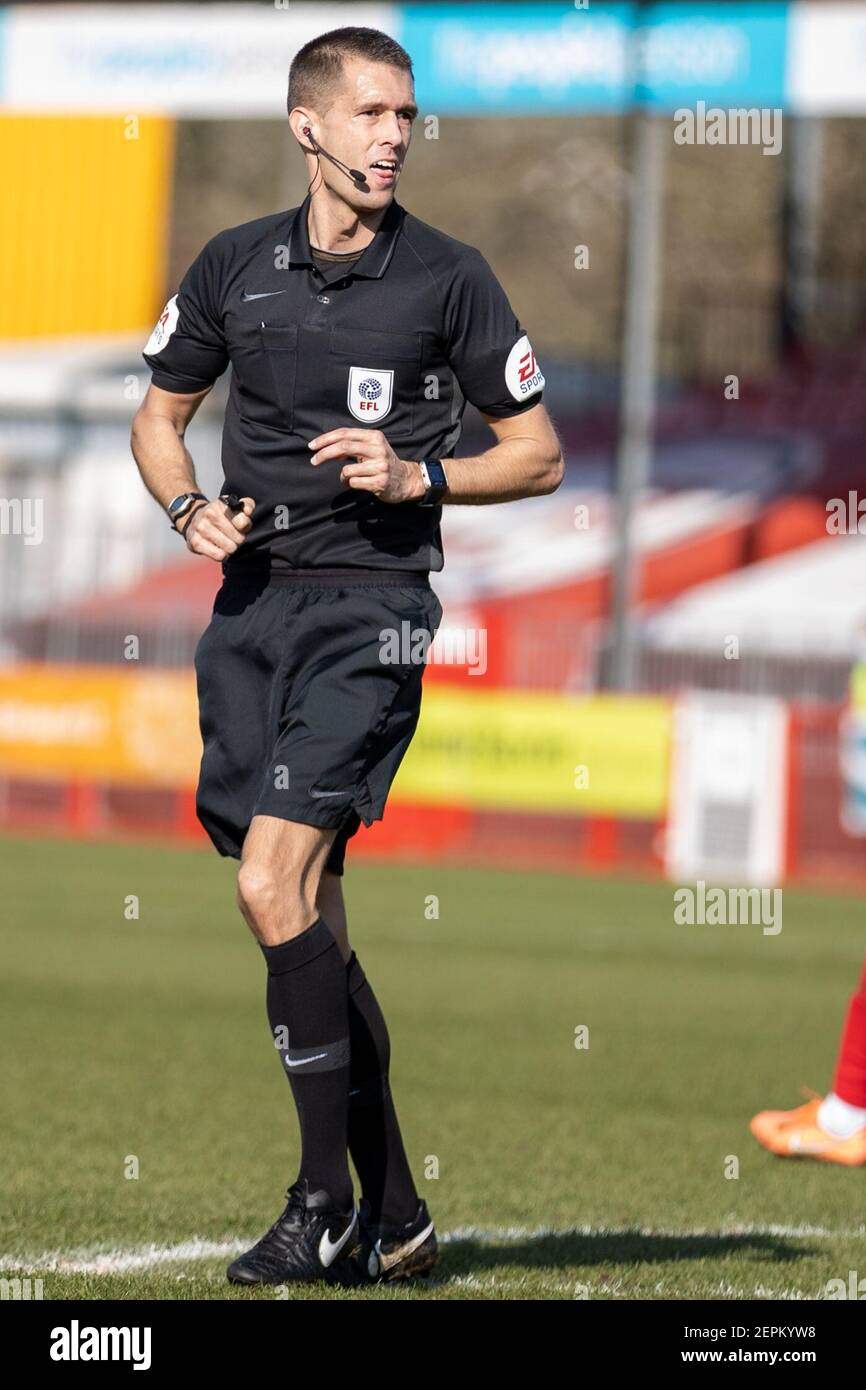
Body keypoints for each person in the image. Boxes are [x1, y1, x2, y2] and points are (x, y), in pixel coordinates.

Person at [131, 25, 562, 1287]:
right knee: (301, 911)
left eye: (405, 115)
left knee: (272, 887)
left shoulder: (450, 276)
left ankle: (321, 1200)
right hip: (249, 606)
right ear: (306, 124)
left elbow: (535, 454)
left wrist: (419, 469)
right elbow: (159, 420)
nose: (392, 135)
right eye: (370, 112)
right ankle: (402, 1214)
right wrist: (186, 508)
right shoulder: (232, 266)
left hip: (371, 609)